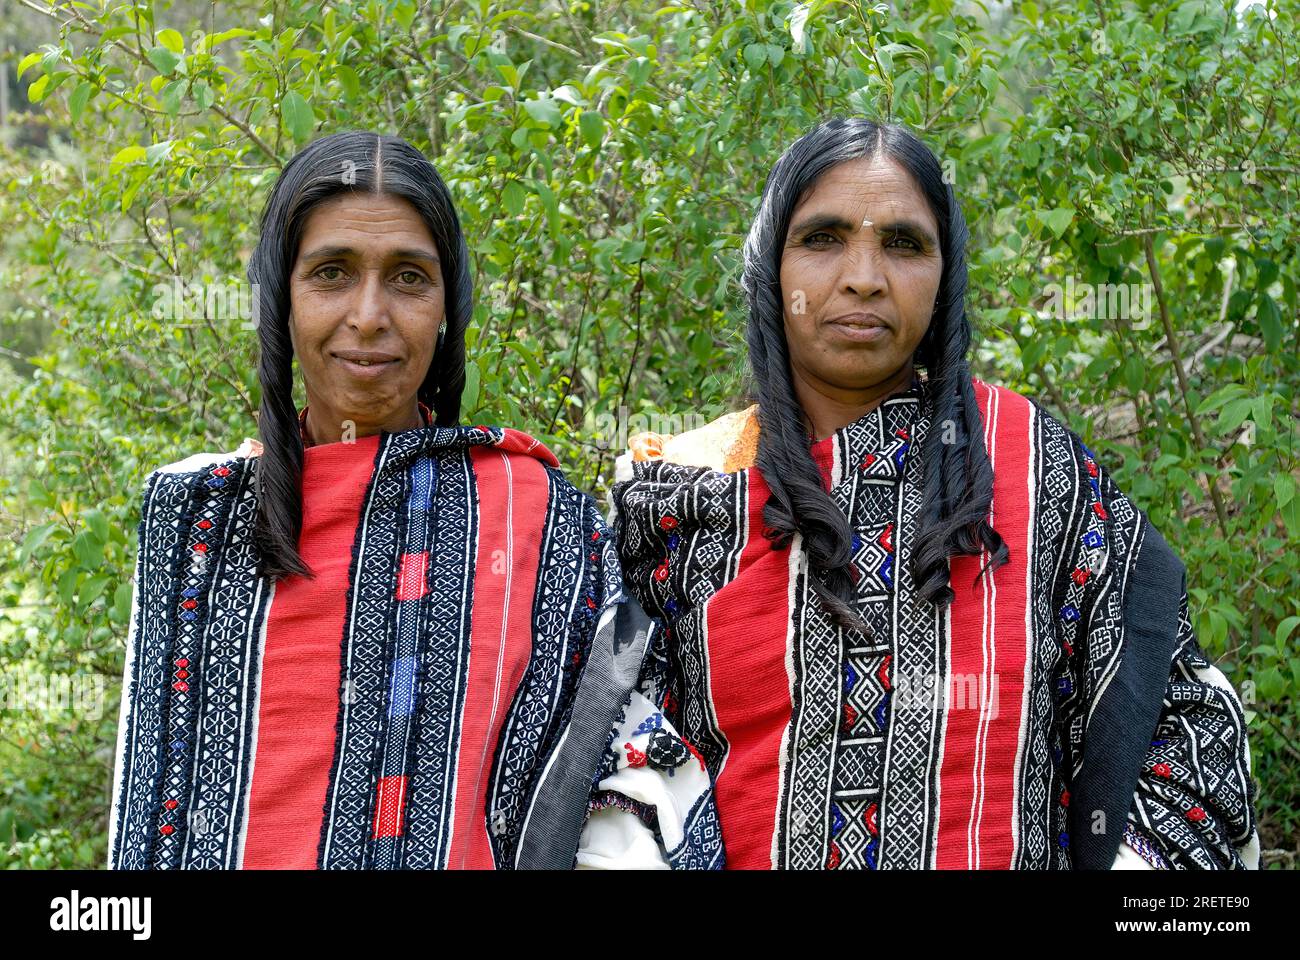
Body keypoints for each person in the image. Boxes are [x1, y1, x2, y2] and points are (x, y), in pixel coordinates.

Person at [603, 117, 1259, 869]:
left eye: (904, 244)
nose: (863, 277)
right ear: (769, 270)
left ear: (945, 277)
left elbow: (1174, 723)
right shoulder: (683, 484)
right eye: (822, 238)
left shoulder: (1034, 472)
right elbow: (617, 763)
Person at [107, 131, 676, 870]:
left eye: (409, 277)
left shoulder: (533, 512)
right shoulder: (199, 517)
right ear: (279, 297)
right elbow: (155, 813)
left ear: (448, 306)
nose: (369, 316)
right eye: (331, 273)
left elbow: (620, 776)